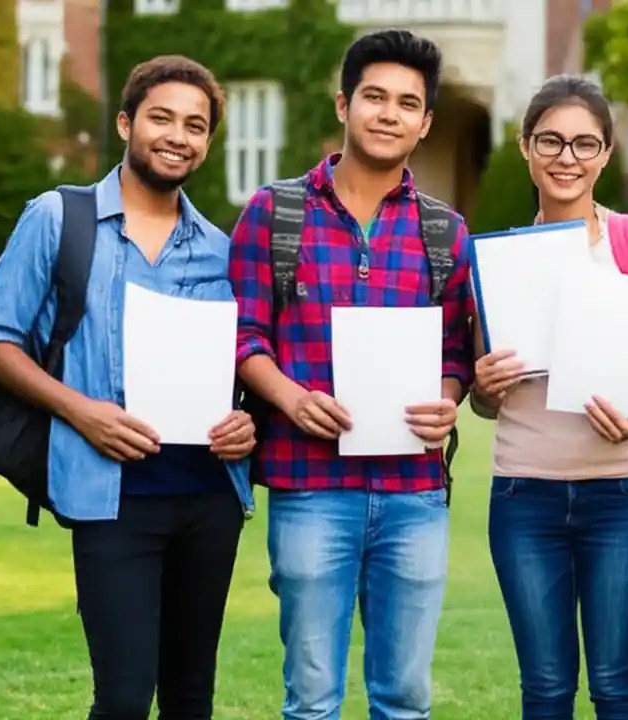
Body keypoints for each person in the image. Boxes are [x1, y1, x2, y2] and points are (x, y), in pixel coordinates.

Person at [0, 55, 256, 719]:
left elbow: (243, 365)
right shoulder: (57, 219)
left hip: (209, 495)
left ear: (208, 143)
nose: (178, 135)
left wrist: (246, 422)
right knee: (122, 698)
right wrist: (81, 412)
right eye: (161, 118)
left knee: (189, 698)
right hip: (110, 494)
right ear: (126, 123)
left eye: (196, 125)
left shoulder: (221, 247)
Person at [229, 30, 473, 720]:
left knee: (405, 699)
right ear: (344, 104)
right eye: (374, 97)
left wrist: (448, 401)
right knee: (311, 698)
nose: (388, 113)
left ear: (424, 124)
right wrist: (288, 396)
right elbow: (243, 333)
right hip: (310, 488)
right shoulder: (273, 214)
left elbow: (458, 352)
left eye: (407, 103)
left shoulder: (445, 232)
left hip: (414, 491)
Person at [470, 74, 628, 719]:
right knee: (544, 688)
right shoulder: (499, 260)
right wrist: (483, 387)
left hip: (622, 493)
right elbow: (485, 399)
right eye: (552, 142)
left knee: (618, 685)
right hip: (524, 491)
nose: (568, 158)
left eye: (585, 144)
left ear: (606, 154)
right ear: (526, 148)